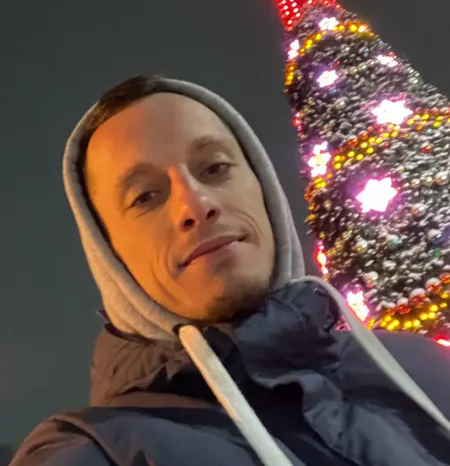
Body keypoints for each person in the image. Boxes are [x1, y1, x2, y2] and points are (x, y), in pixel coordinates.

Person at [13, 75, 450, 466]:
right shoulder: (91, 451)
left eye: (215, 168)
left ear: (263, 186)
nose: (196, 204)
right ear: (107, 253)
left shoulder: (422, 366)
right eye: (146, 196)